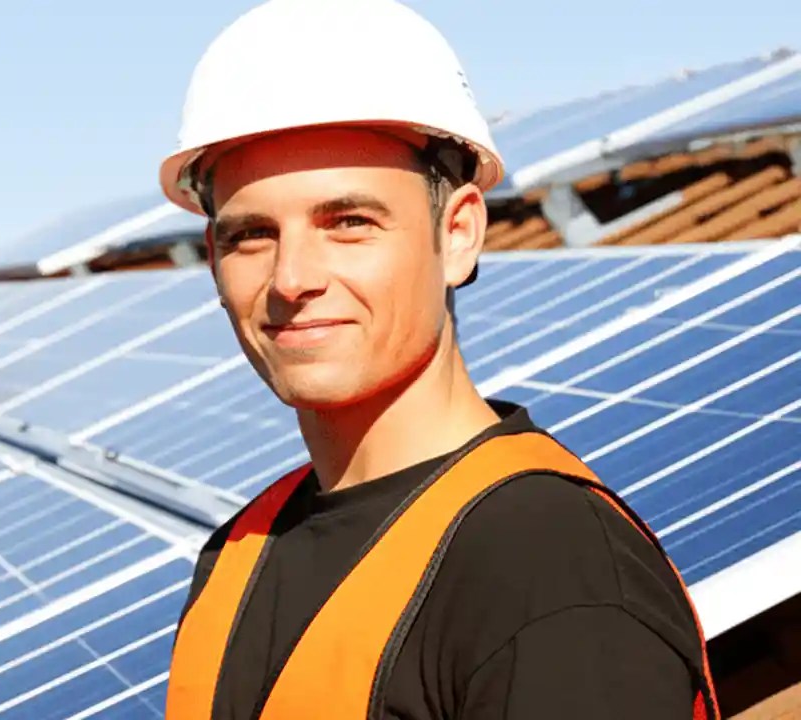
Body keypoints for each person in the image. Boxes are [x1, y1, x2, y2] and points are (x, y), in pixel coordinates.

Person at [155, 1, 721, 718]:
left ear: (457, 234)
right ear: (212, 260)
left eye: (349, 222)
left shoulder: (548, 568)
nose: (292, 278)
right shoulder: (239, 553)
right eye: (250, 236)